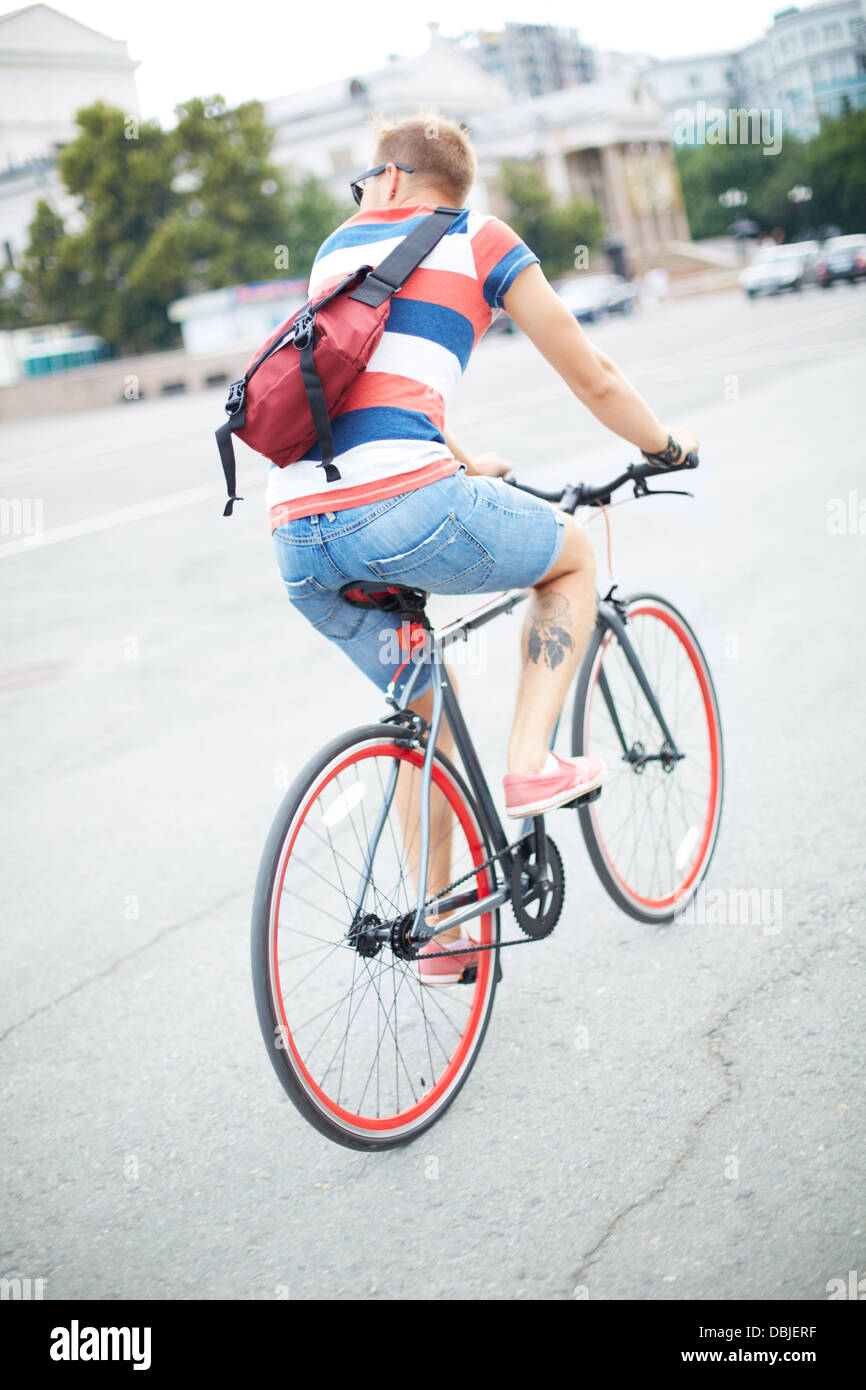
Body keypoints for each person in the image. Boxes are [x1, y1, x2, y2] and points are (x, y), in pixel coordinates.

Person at [270, 112, 699, 982]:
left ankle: (436, 933)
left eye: (365, 179)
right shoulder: (482, 238)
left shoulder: (336, 251)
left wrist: (466, 461)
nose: (363, 193)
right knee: (573, 554)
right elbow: (593, 374)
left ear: (391, 178)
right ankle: (532, 762)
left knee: (426, 711)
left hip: (300, 539)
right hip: (403, 508)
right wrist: (663, 445)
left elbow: (352, 389)